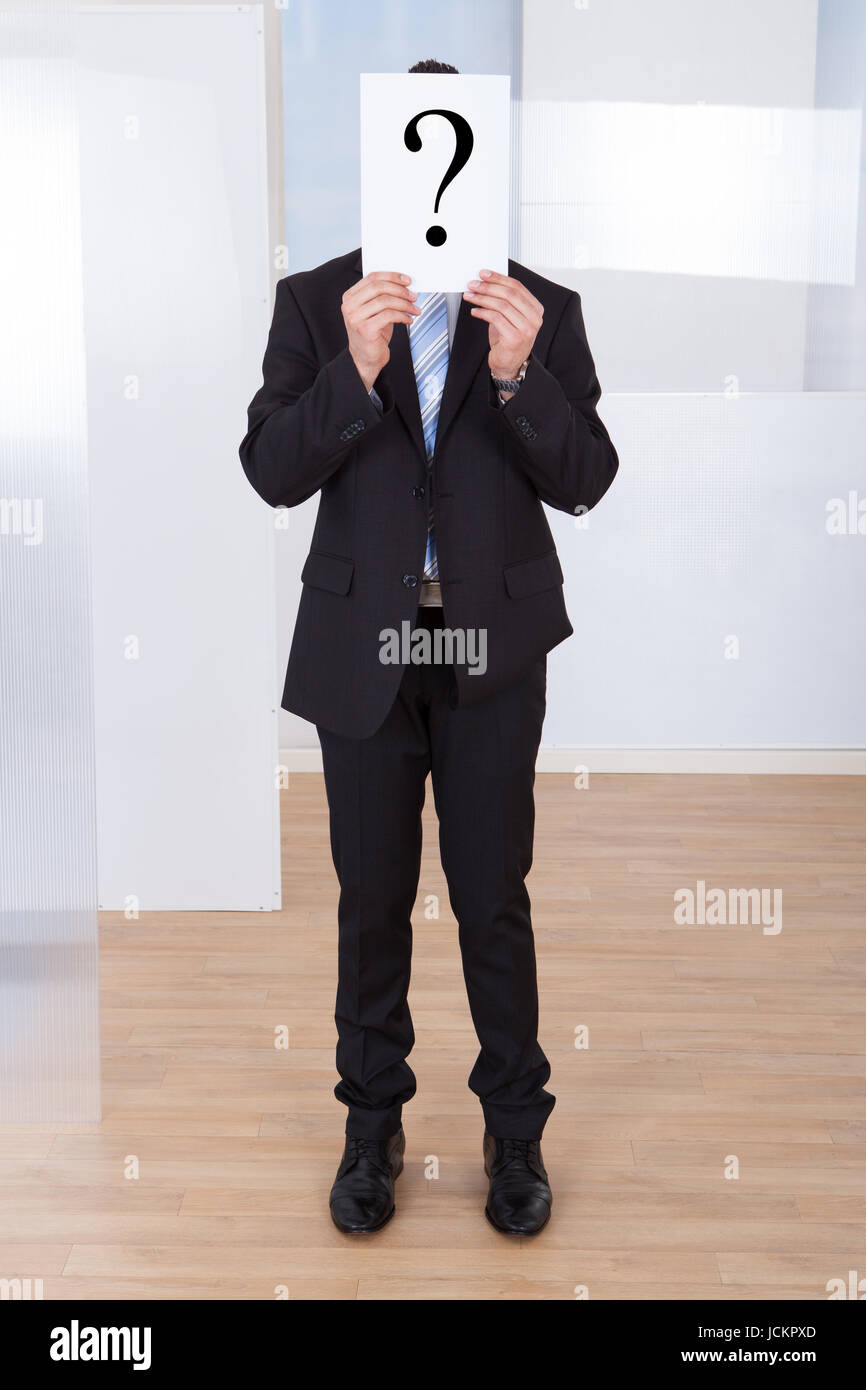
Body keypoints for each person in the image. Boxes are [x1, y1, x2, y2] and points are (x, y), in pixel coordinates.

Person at [239, 58, 619, 1236]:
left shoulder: (538, 309)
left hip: (490, 648)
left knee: (491, 894)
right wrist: (351, 372)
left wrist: (517, 378)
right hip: (366, 645)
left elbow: (588, 478)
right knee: (371, 899)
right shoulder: (317, 303)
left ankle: (514, 1136)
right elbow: (269, 470)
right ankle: (373, 1127)